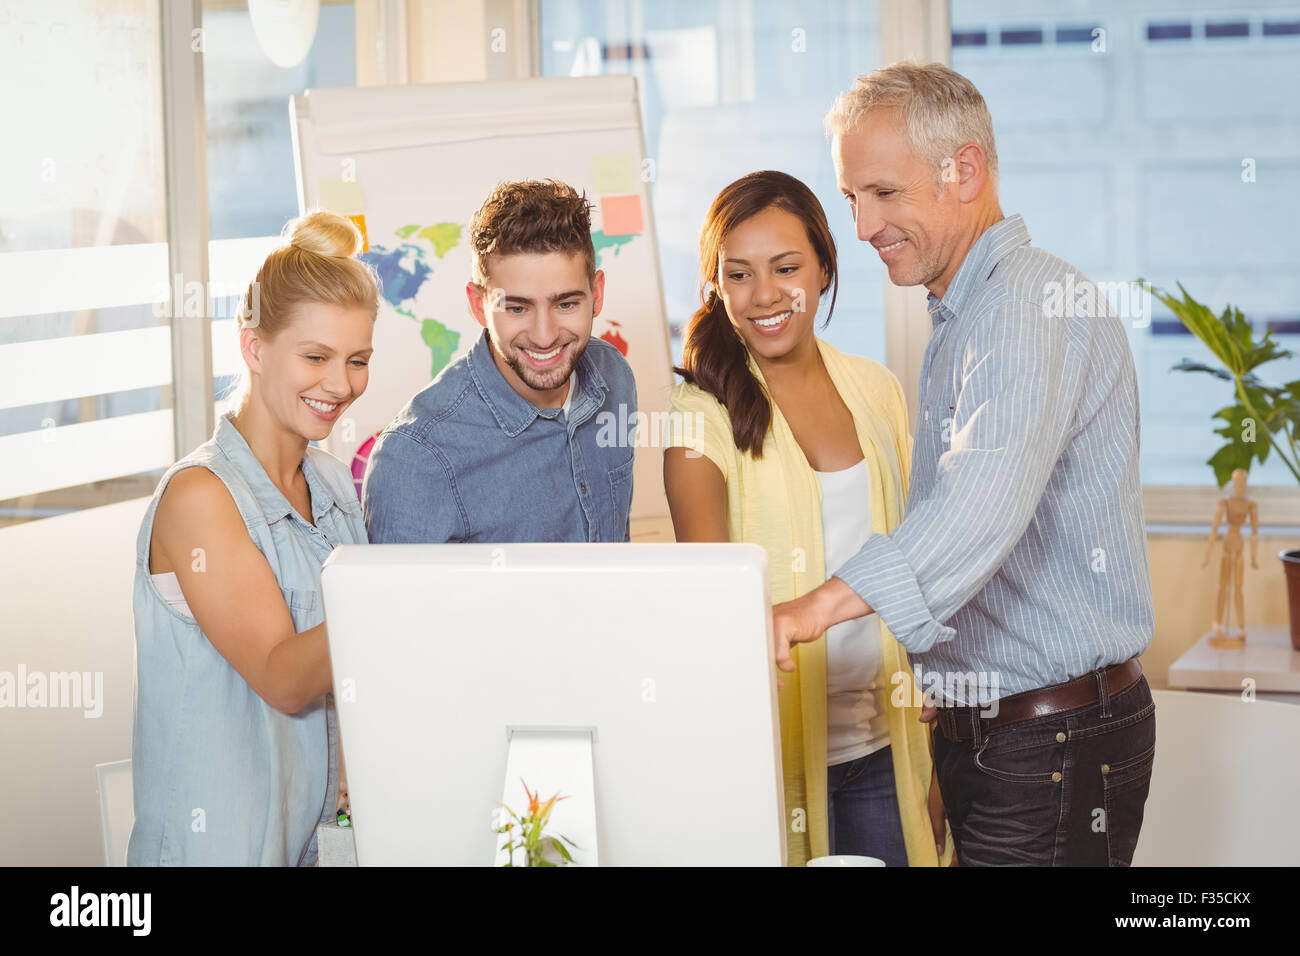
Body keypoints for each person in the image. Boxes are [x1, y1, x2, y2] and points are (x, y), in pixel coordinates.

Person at [772, 62, 1157, 867]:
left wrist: (813, 610)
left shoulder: (1020, 308)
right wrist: (958, 723)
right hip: (1011, 736)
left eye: (882, 193)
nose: (863, 224)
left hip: (1047, 742)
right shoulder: (972, 310)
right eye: (850, 199)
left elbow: (979, 504)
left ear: (966, 170)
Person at [664, 170, 954, 868]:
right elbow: (714, 613)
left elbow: (925, 556)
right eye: (738, 274)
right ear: (716, 286)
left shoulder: (877, 390)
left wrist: (939, 725)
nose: (764, 295)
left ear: (823, 267)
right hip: (774, 766)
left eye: (786, 268)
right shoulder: (700, 421)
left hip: (892, 746)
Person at [128, 211, 377, 865]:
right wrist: (410, 592)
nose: (340, 384)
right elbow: (283, 677)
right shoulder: (198, 497)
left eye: (358, 360)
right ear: (254, 347)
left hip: (310, 847)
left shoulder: (331, 485)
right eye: (316, 357)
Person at [363, 179, 637, 544]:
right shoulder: (415, 458)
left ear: (597, 293)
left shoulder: (614, 377)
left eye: (566, 304)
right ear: (479, 304)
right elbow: (391, 602)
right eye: (517, 307)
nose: (544, 336)